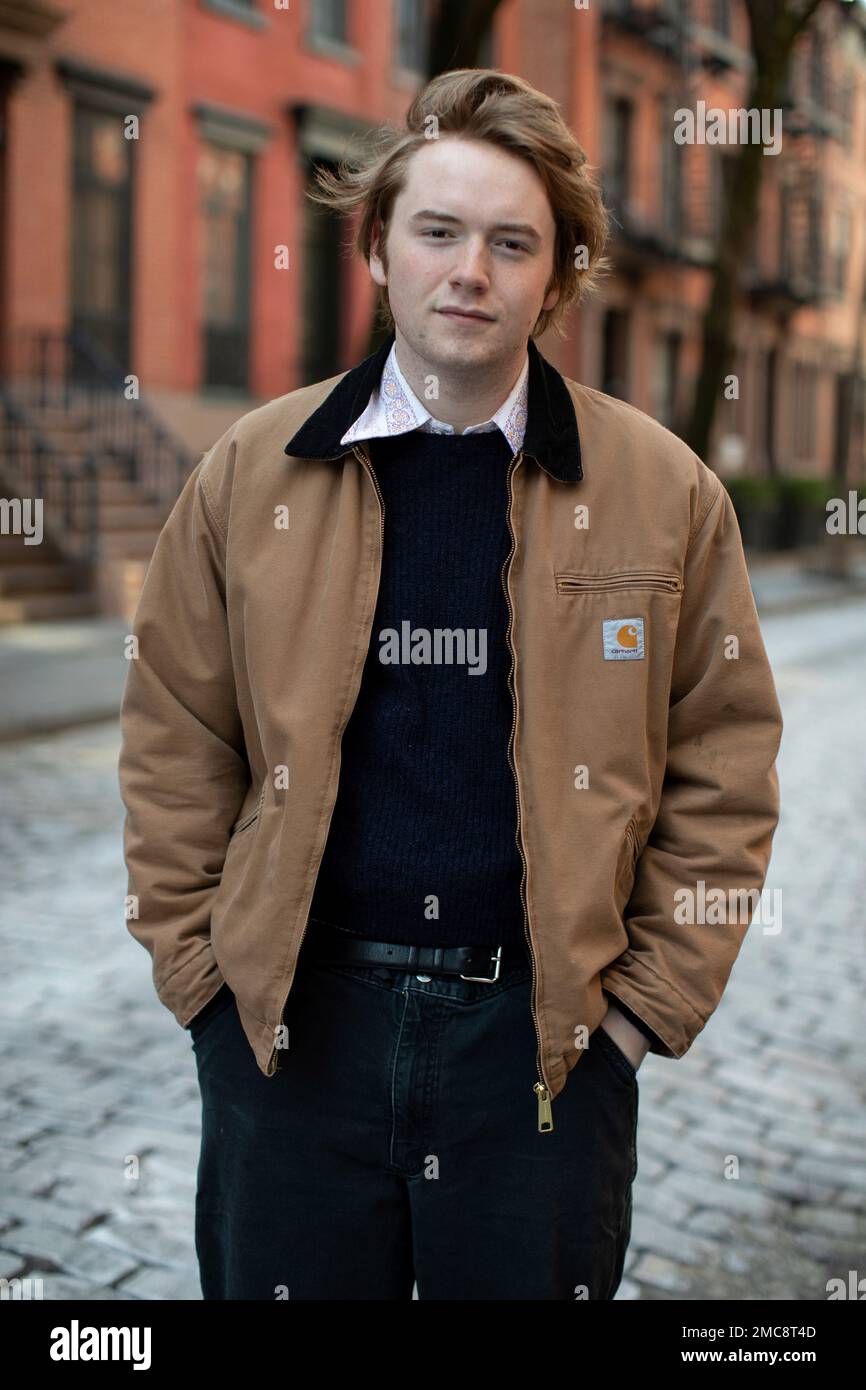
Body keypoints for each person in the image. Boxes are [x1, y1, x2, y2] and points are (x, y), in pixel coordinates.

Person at [118, 68, 782, 1301]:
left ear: (556, 273)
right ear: (377, 248)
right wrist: (203, 985)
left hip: (537, 1057)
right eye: (436, 231)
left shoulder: (665, 492)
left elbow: (723, 765)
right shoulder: (246, 474)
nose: (468, 270)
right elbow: (175, 732)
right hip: (291, 1042)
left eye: (510, 242)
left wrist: (632, 1017)